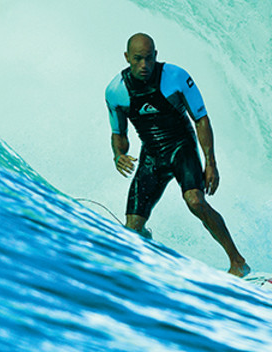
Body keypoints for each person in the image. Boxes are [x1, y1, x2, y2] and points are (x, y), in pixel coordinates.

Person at [105, 32, 250, 277]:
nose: (144, 65)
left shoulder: (175, 77)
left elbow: (201, 119)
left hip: (181, 148)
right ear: (126, 57)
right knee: (132, 229)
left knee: (196, 202)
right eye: (138, 59)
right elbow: (119, 133)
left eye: (149, 59)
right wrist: (119, 156)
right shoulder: (116, 91)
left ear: (156, 56)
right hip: (152, 156)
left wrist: (210, 163)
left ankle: (238, 262)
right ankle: (145, 257)